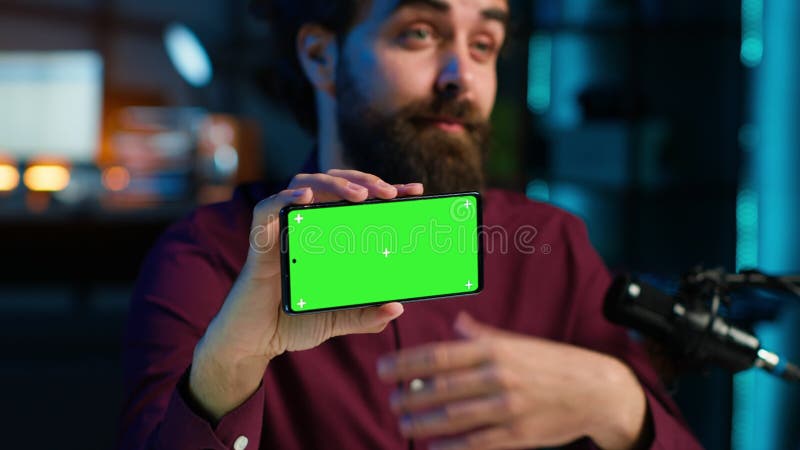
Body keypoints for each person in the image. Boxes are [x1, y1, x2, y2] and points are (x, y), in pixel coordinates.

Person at [119, 0, 703, 449]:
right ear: (321, 56)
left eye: (484, 45)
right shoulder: (209, 258)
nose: (461, 77)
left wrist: (619, 403)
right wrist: (228, 370)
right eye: (419, 33)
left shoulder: (550, 244)